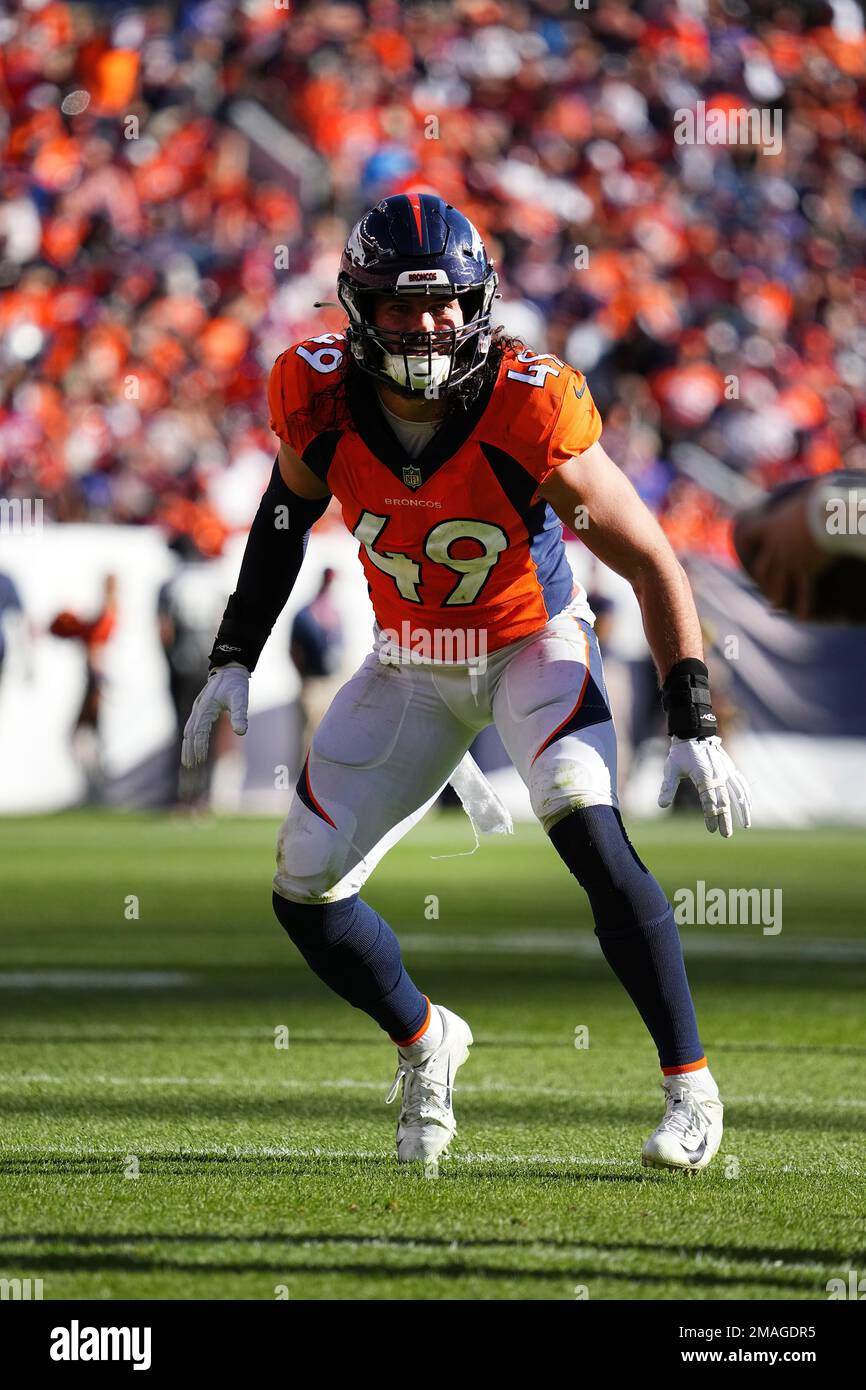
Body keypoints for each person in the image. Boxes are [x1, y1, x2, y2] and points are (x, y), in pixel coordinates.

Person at [183, 194, 751, 1171]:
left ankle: (689, 1087)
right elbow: (283, 516)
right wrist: (236, 649)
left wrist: (691, 710)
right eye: (400, 308)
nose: (425, 325)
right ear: (356, 307)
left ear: (476, 301)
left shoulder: (527, 398)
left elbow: (653, 559)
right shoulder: (314, 393)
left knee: (588, 829)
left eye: (442, 304)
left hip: (531, 640)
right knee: (302, 885)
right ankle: (424, 1038)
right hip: (410, 660)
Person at [290, 566, 344, 767]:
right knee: (308, 735)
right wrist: (304, 678)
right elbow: (295, 650)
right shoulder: (306, 615)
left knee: (329, 734)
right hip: (312, 681)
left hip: (330, 682)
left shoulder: (334, 613)